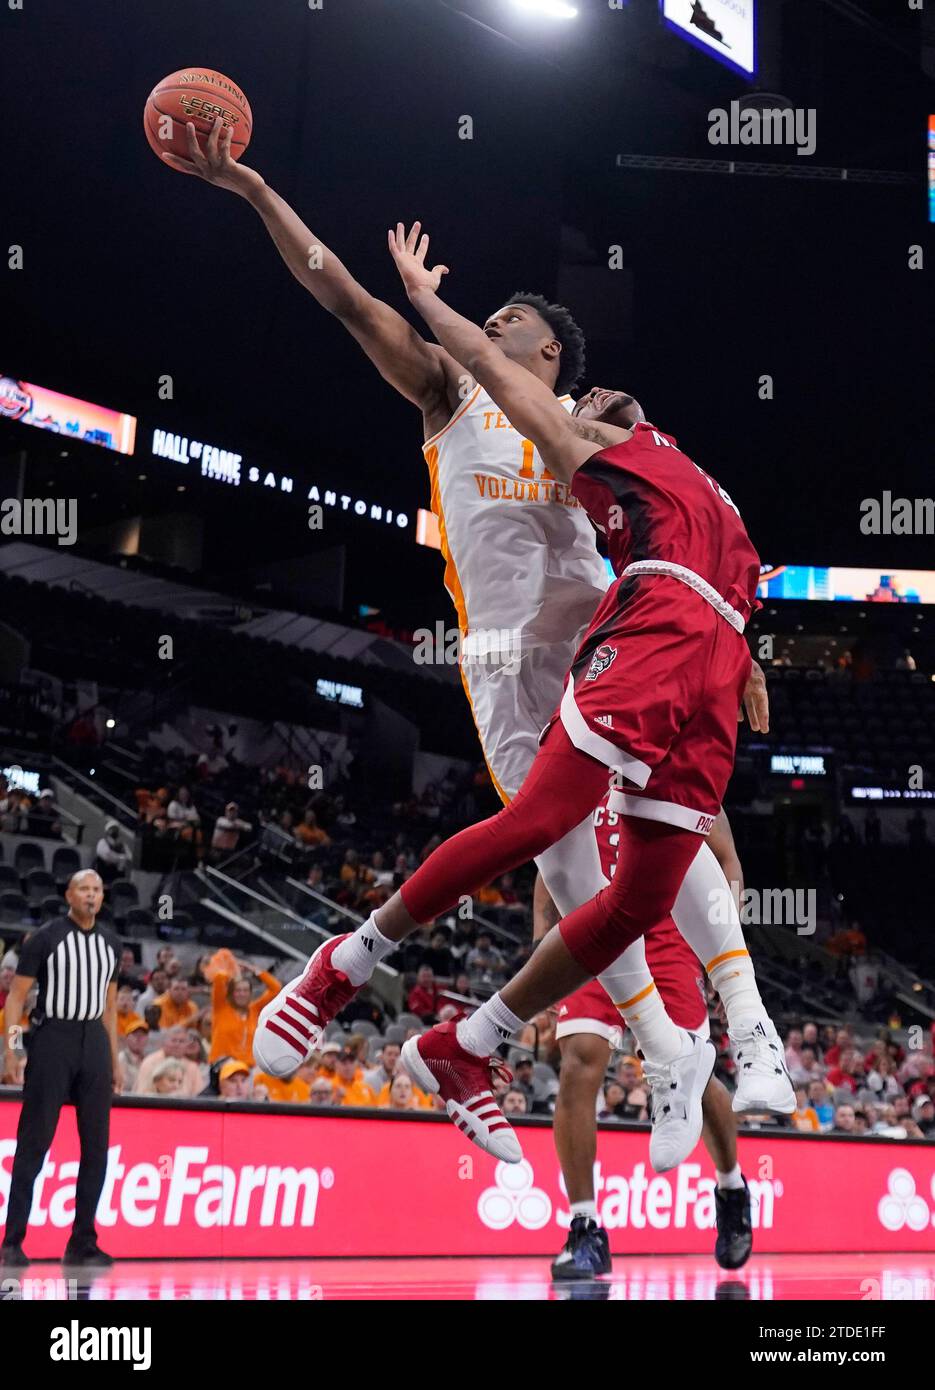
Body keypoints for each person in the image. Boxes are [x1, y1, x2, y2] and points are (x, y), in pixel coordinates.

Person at [176, 123, 783, 1173]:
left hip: (617, 641)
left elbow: (680, 540)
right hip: (507, 664)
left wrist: (741, 654)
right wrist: (251, 186)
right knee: (576, 877)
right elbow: (342, 296)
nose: (480, 322)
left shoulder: (592, 429)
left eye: (499, 319)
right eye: (478, 317)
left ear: (546, 351)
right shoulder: (448, 393)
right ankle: (588, 1048)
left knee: (693, 839)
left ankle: (691, 1035)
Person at [547, 807, 753, 1278]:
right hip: (594, 926)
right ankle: (586, 1228)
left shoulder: (678, 764)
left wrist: (723, 954)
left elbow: (728, 862)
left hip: (668, 936)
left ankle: (731, 1187)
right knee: (579, 1060)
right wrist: (544, 951)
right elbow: (551, 862)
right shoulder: (580, 754)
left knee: (691, 1079)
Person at [0, 870, 119, 1267]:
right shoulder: (47, 938)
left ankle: (83, 1240)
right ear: (69, 894)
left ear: (102, 897)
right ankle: (13, 1241)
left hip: (95, 1043)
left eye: (97, 889)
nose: (90, 895)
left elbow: (111, 1008)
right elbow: (15, 999)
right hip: (54, 1039)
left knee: (97, 1149)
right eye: (83, 888)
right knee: (34, 1142)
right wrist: (13, 1052)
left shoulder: (111, 942)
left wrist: (113, 1061)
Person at [209, 959, 281, 1067]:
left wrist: (253, 970)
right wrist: (232, 971)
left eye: (245, 990)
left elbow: (275, 988)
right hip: (221, 1066)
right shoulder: (221, 1008)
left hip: (247, 1068)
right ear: (231, 993)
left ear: (250, 993)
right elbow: (219, 977)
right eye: (237, 990)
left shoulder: (254, 1009)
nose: (242, 994)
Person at [94, 819, 132, 884]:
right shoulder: (102, 842)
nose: (114, 831)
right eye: (112, 829)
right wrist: (121, 858)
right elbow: (107, 856)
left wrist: (122, 859)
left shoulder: (122, 845)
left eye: (116, 829)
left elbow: (129, 858)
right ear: (107, 831)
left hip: (117, 879)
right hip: (102, 878)